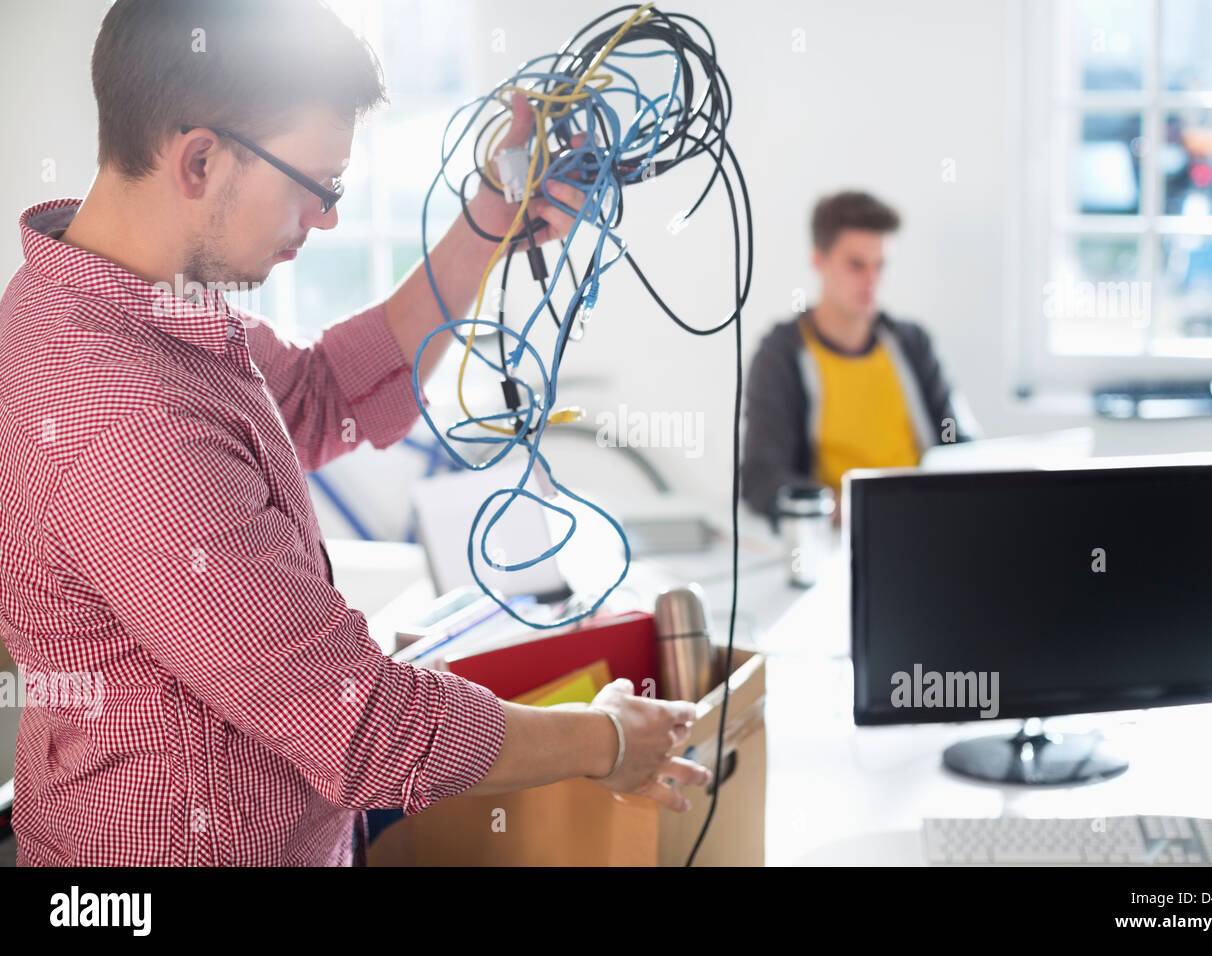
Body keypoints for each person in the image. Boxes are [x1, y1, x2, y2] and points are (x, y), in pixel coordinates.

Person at [0, 0, 709, 866]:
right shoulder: (122, 412)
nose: (329, 218)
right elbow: (359, 725)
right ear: (198, 159)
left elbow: (321, 392)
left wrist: (491, 215)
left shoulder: (118, 295)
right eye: (316, 186)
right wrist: (605, 741)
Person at [741, 190, 979, 527]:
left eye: (880, 266)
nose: (872, 281)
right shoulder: (781, 354)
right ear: (818, 260)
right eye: (856, 265)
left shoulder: (914, 344)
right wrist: (847, 509)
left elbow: (960, 444)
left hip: (927, 525)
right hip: (838, 536)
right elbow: (762, 477)